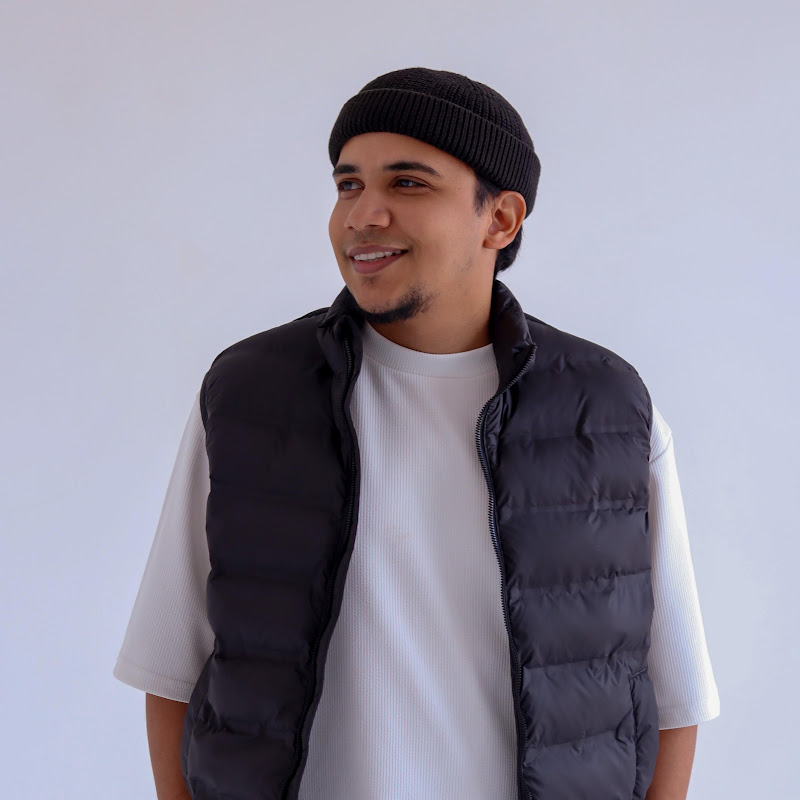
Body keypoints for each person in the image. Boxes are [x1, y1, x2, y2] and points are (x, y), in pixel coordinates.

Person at [113, 67, 720, 800]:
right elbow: (172, 670)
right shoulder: (251, 396)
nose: (363, 215)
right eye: (348, 185)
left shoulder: (607, 410)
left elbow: (672, 693)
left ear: (500, 219)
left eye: (407, 183)